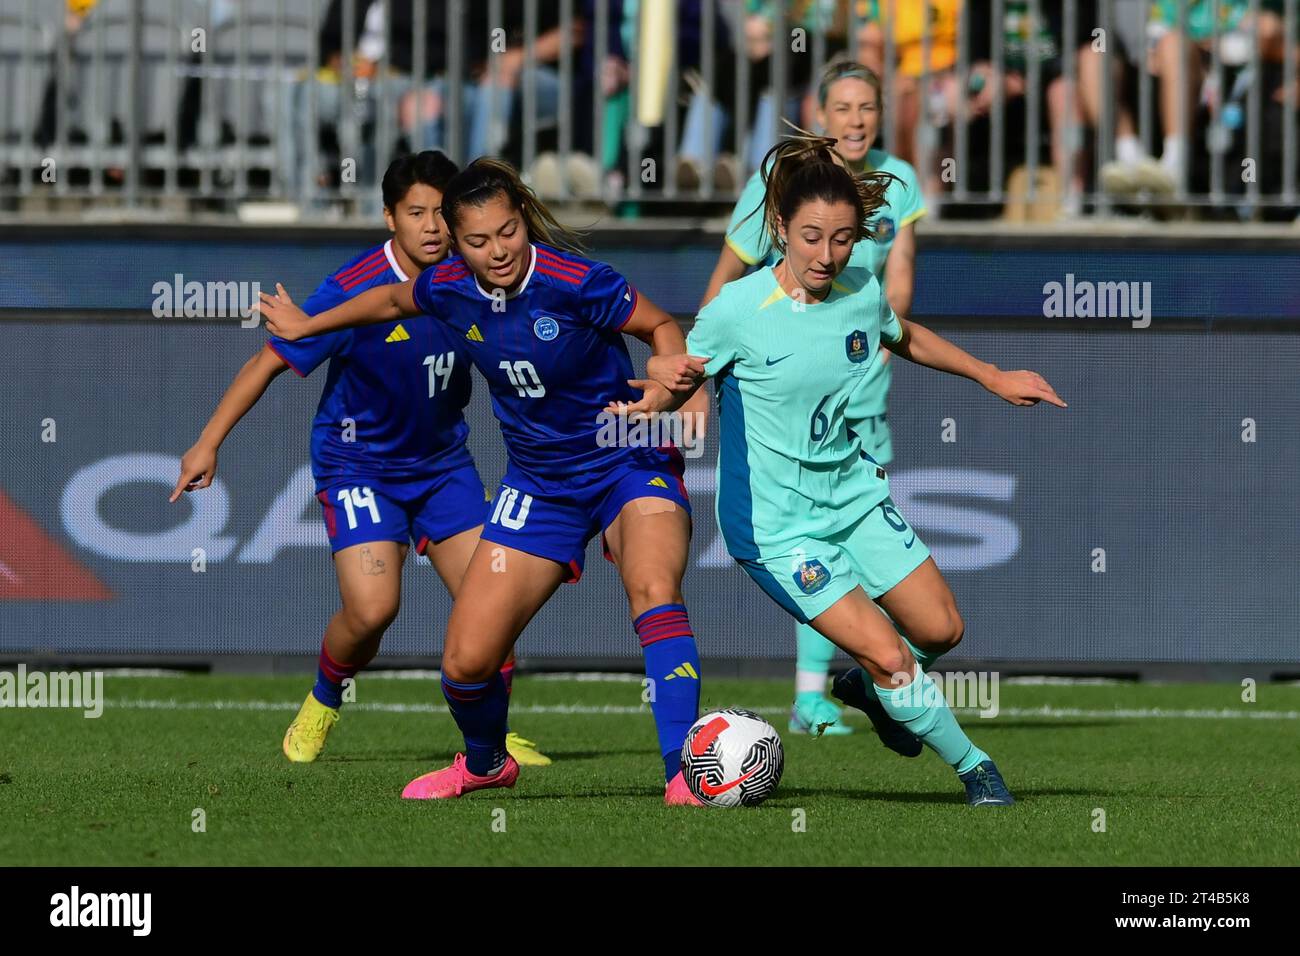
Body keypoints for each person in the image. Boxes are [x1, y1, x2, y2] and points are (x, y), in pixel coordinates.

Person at [256, 158, 712, 805]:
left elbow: (660, 325)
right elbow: (389, 298)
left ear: (521, 218)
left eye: (507, 232)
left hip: (627, 456)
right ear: (456, 241)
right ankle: (486, 764)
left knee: (653, 587)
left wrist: (671, 379)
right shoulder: (448, 287)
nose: (498, 251)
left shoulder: (577, 280)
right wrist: (308, 324)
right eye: (478, 240)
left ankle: (681, 774)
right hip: (540, 485)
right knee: (466, 664)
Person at [637, 134, 1065, 806]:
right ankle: (977, 771)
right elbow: (681, 372)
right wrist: (657, 388)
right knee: (891, 653)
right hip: (777, 527)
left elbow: (903, 332)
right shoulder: (736, 313)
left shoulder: (859, 288)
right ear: (780, 227)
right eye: (811, 236)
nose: (826, 254)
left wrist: (990, 375)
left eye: (841, 239)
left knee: (939, 631)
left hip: (852, 495)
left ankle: (870, 690)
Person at [172, 151, 550, 768]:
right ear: (389, 217)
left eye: (440, 214)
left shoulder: (472, 278)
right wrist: (208, 441)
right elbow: (269, 359)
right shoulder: (352, 289)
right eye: (415, 212)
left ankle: (492, 740)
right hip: (359, 466)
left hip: (442, 466)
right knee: (374, 610)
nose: (431, 227)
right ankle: (323, 699)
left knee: (493, 604)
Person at [702, 61, 924, 738]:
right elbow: (729, 275)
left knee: (849, 531)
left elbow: (902, 278)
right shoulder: (779, 188)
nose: (856, 120)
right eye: (843, 107)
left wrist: (881, 347)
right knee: (813, 536)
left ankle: (870, 678)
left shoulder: (900, 181)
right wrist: (703, 370)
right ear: (820, 111)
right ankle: (811, 695)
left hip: (860, 371)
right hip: (789, 378)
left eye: (867, 107)